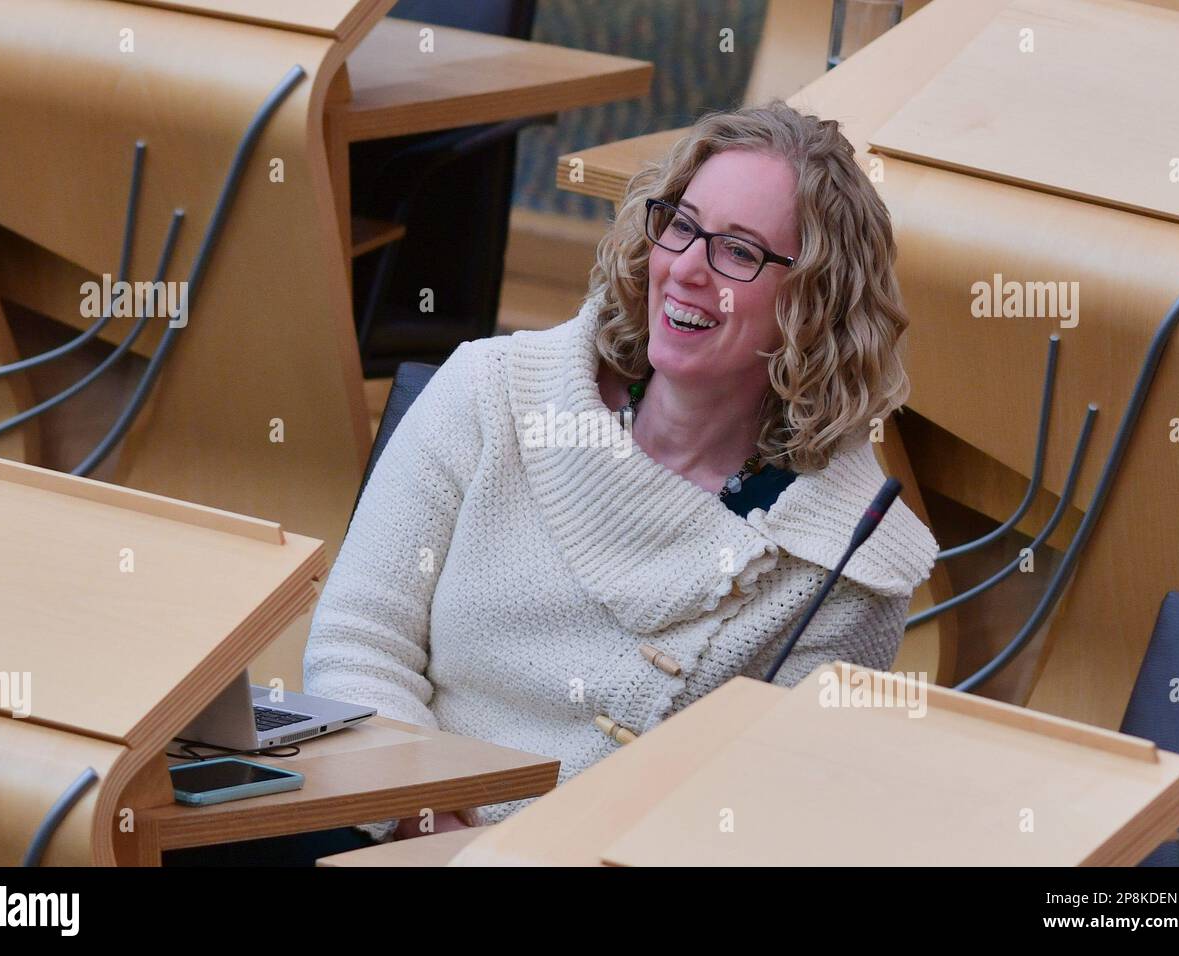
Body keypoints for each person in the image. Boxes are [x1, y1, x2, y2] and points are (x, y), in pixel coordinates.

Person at [304, 100, 939, 844]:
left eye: (739, 251)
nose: (689, 269)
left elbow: (762, 827)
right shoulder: (492, 389)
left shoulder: (846, 560)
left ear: (816, 303)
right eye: (682, 225)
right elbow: (357, 645)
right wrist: (431, 833)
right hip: (391, 841)